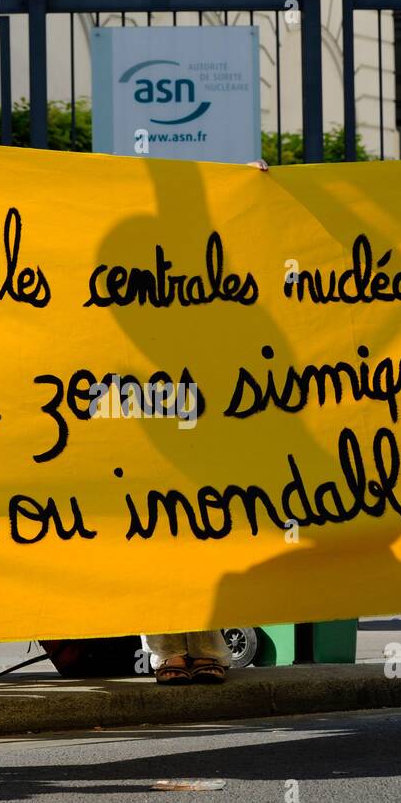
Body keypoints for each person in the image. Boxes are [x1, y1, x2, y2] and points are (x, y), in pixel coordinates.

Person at [140, 158, 272, 686]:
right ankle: (168, 649)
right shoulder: (139, 271)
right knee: (155, 535)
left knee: (207, 535)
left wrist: (245, 182)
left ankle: (209, 646)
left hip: (209, 419)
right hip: (155, 418)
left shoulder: (220, 276)